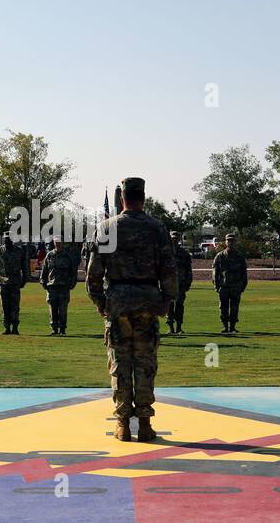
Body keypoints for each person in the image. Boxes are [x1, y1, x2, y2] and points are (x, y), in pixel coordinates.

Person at [85, 177, 177, 442]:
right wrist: (167, 299)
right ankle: (145, 424)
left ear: (122, 198)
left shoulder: (108, 228)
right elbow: (169, 270)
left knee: (120, 362)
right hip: (148, 300)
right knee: (145, 363)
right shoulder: (157, 229)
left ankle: (123, 423)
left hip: (119, 302)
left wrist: (100, 301)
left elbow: (94, 273)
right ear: (143, 197)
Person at [0, 231, 29, 335]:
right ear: (4, 239)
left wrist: (25, 279)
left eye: (10, 238)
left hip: (15, 282)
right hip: (3, 282)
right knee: (4, 306)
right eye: (6, 238)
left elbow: (25, 267)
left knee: (15, 306)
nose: (8, 240)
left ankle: (15, 327)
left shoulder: (19, 251)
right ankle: (6, 327)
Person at [39, 237, 77, 335]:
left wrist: (72, 284)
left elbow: (73, 272)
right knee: (52, 309)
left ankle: (62, 329)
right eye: (56, 242)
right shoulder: (50, 255)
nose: (58, 244)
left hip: (64, 287)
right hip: (52, 287)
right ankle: (54, 329)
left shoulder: (67, 256)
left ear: (62, 243)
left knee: (63, 310)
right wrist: (43, 282)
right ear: (54, 243)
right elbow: (45, 270)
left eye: (60, 242)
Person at [212, 233, 248, 332]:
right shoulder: (220, 256)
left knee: (234, 308)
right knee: (223, 307)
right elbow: (215, 272)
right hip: (224, 287)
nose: (230, 242)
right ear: (225, 242)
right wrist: (216, 285)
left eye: (232, 241)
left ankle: (232, 327)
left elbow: (244, 272)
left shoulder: (240, 257)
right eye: (228, 240)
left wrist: (243, 285)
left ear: (235, 242)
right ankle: (225, 327)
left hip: (236, 287)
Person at [167, 231, 193, 334]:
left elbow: (188, 270)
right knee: (169, 306)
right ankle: (170, 328)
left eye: (176, 238)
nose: (175, 240)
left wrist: (188, 282)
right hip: (168, 284)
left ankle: (179, 327)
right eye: (173, 238)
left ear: (179, 240)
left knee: (179, 305)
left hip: (180, 284)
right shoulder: (165, 253)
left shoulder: (184, 253)